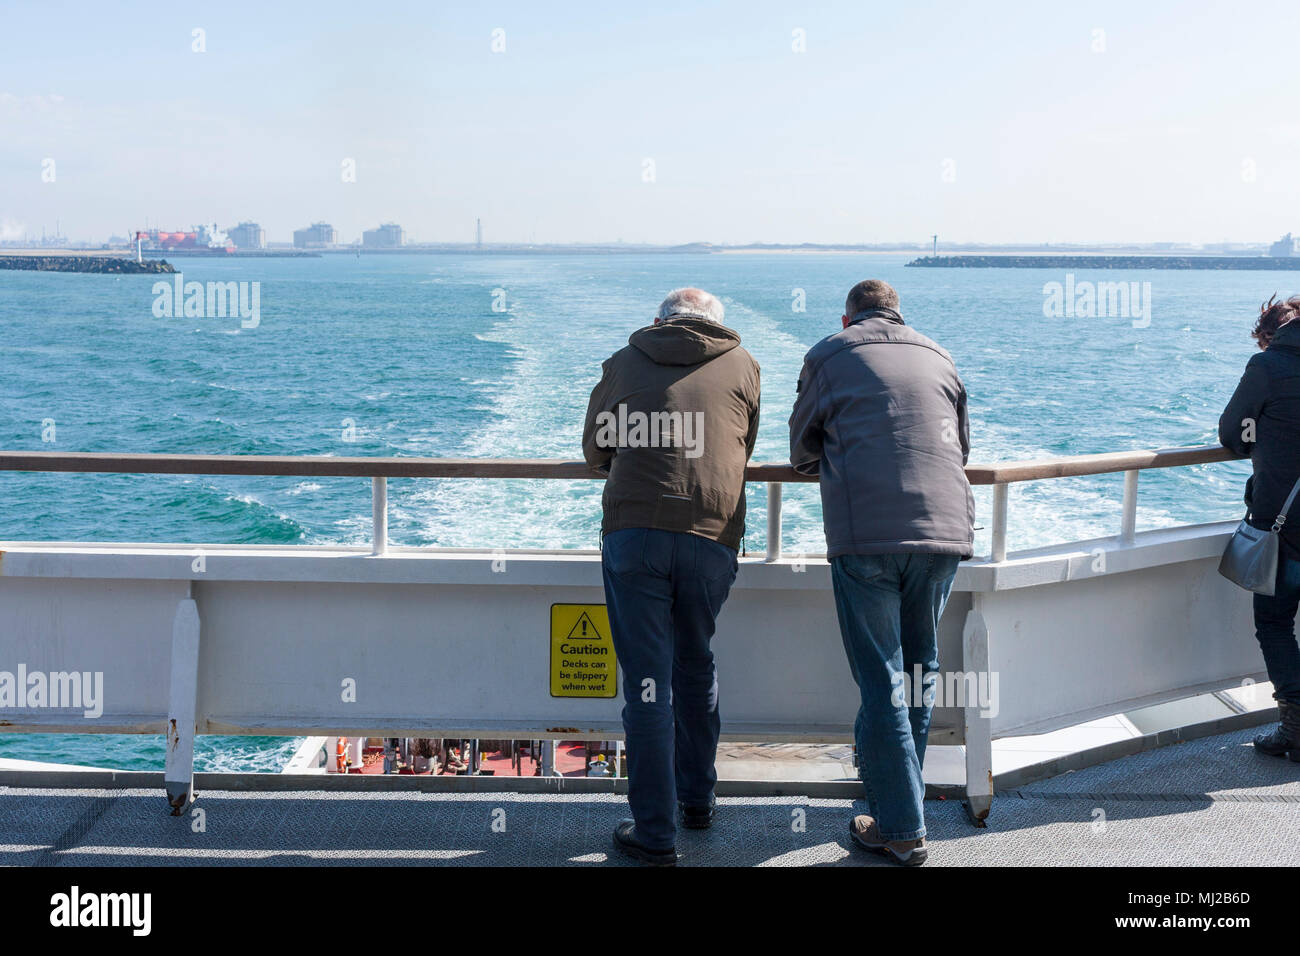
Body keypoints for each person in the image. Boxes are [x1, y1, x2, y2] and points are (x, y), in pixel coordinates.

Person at [789, 279, 973, 866]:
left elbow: (800, 451)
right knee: (920, 672)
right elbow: (960, 449)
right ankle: (900, 801)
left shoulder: (828, 354)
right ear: (898, 315)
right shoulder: (938, 354)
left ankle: (901, 825)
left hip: (866, 535)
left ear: (848, 320)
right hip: (943, 531)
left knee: (884, 679)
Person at [583, 287, 761, 866]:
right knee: (695, 663)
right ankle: (699, 801)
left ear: (658, 321)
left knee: (646, 682)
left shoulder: (624, 360)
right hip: (711, 535)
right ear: (717, 323)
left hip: (637, 532)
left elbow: (594, 451)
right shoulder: (744, 364)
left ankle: (655, 833)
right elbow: (743, 446)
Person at [1218, 294, 1300, 761]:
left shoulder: (1268, 365)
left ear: (1270, 334)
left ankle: (1295, 725)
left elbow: (1233, 432)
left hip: (1285, 528)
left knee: (1275, 622)